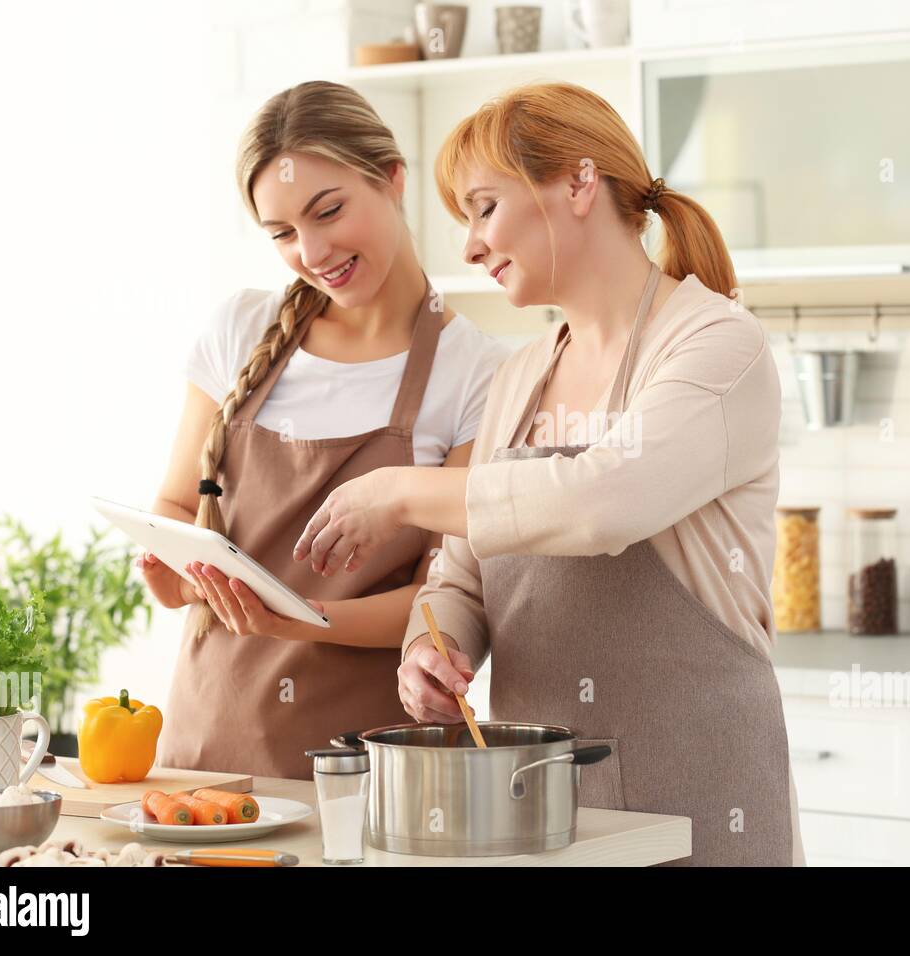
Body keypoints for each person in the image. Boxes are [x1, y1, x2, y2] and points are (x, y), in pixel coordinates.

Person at [293, 82, 804, 864]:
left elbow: (605, 498)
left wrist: (398, 491)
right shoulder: (520, 375)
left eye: (483, 208)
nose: (468, 245)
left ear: (578, 182)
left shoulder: (714, 346)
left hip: (701, 794)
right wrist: (428, 650)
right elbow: (459, 577)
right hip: (543, 813)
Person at [140, 81, 508, 779]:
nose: (311, 250)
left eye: (329, 211)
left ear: (392, 179)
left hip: (374, 772)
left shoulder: (477, 371)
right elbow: (175, 510)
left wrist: (294, 617)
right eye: (281, 233)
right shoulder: (240, 330)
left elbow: (448, 594)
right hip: (204, 758)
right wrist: (183, 575)